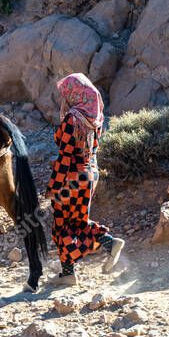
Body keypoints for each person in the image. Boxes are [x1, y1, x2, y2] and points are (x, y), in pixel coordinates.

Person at [47, 73, 125, 286]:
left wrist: (54, 185)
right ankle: (70, 272)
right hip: (90, 175)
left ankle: (105, 245)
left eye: (66, 93)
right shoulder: (95, 118)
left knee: (62, 226)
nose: (64, 97)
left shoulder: (73, 118)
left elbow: (65, 155)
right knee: (77, 223)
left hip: (71, 178)